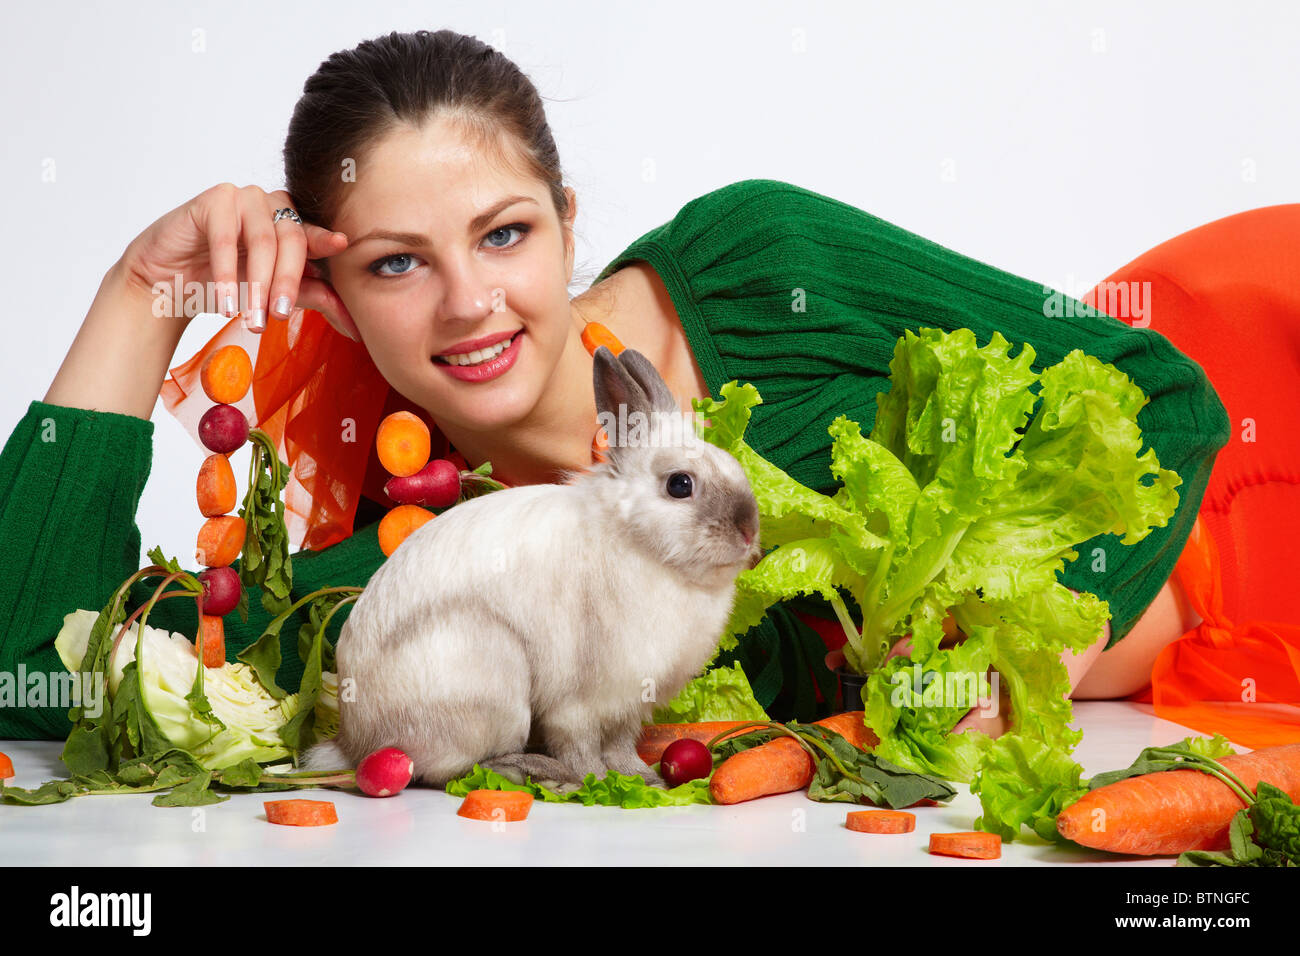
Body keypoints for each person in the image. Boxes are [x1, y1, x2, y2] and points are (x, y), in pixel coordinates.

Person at [0, 28, 1228, 742]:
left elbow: (1165, 389)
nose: (470, 302)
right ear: (331, 297)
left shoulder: (766, 259)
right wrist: (139, 291)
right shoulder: (417, 566)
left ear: (566, 220)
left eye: (503, 234)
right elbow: (29, 662)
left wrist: (1049, 641)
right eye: (395, 263)